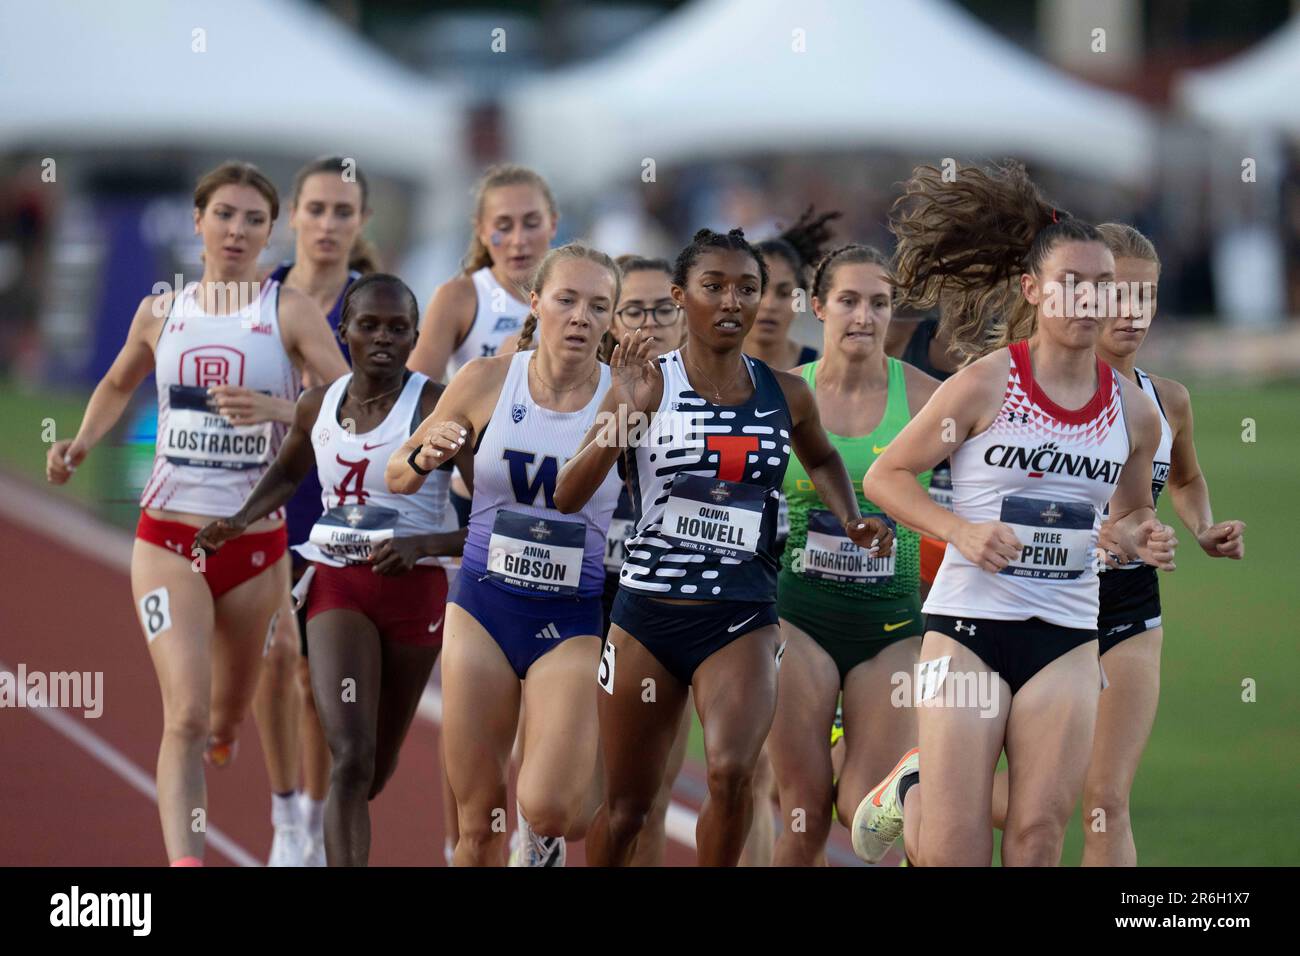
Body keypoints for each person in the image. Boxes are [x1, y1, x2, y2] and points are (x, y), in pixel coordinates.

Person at [848, 161, 1177, 867]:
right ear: (1034, 289)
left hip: (1065, 633)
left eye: (1102, 287)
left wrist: (1141, 535)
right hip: (970, 628)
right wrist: (959, 529)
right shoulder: (988, 384)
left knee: (1034, 838)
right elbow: (887, 475)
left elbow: (1125, 518)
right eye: (1072, 285)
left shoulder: (1135, 414)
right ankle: (909, 792)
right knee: (956, 847)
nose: (1089, 301)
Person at [554, 228, 894, 866]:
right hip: (647, 616)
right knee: (627, 809)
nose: (734, 301)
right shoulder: (647, 383)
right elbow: (569, 495)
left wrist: (851, 517)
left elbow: (820, 456)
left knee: (734, 773)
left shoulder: (785, 393)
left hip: (741, 614)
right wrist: (627, 412)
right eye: (715, 287)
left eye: (747, 288)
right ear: (682, 297)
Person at [46, 161, 348, 866]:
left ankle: (230, 731)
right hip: (167, 540)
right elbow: (120, 379)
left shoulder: (288, 311)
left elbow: (354, 402)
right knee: (182, 714)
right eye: (224, 215)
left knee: (226, 711)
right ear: (198, 221)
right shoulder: (162, 310)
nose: (236, 230)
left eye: (253, 219)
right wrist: (80, 443)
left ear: (271, 233)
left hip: (254, 550)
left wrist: (277, 408)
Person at [987, 223, 1246, 865]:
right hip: (1030, 606)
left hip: (1129, 606)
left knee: (1106, 801)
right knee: (1034, 801)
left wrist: (1201, 527)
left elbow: (1182, 477)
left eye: (1148, 297)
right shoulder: (1027, 390)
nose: (1133, 313)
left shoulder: (1167, 402)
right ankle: (922, 782)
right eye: (1118, 294)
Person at [197, 274, 464, 865]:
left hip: (413, 592)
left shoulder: (436, 404)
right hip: (337, 583)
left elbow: (489, 513)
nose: (384, 339)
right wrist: (240, 519)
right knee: (348, 754)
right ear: (344, 332)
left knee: (374, 769)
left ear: (416, 335)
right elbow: (290, 472)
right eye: (369, 325)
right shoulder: (317, 404)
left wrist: (427, 543)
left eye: (398, 328)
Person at [387, 243, 623, 867]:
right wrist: (425, 450)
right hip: (483, 607)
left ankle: (548, 831)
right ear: (535, 300)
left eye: (598, 306)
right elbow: (398, 475)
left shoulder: (626, 400)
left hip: (569, 617)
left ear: (610, 320)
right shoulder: (487, 379)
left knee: (548, 808)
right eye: (567, 300)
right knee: (478, 822)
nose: (580, 317)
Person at [767, 244, 941, 866]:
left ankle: (909, 787)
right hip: (798, 620)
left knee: (867, 819)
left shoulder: (926, 399)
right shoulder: (785, 395)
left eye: (879, 302)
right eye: (848, 300)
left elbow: (997, 482)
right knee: (803, 811)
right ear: (818, 307)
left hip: (890, 627)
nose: (863, 316)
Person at [257, 155, 375, 867]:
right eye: (318, 208)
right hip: (265, 505)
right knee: (272, 669)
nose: (328, 223)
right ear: (292, 216)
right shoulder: (255, 298)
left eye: (343, 211)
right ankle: (289, 809)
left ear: (360, 223)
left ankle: (303, 821)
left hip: (340, 511)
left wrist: (285, 407)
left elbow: (379, 406)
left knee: (314, 678)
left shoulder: (374, 305)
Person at [743, 207, 841, 371]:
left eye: (783, 293)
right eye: (756, 290)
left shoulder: (821, 374)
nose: (769, 305)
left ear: (801, 300)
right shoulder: (706, 370)